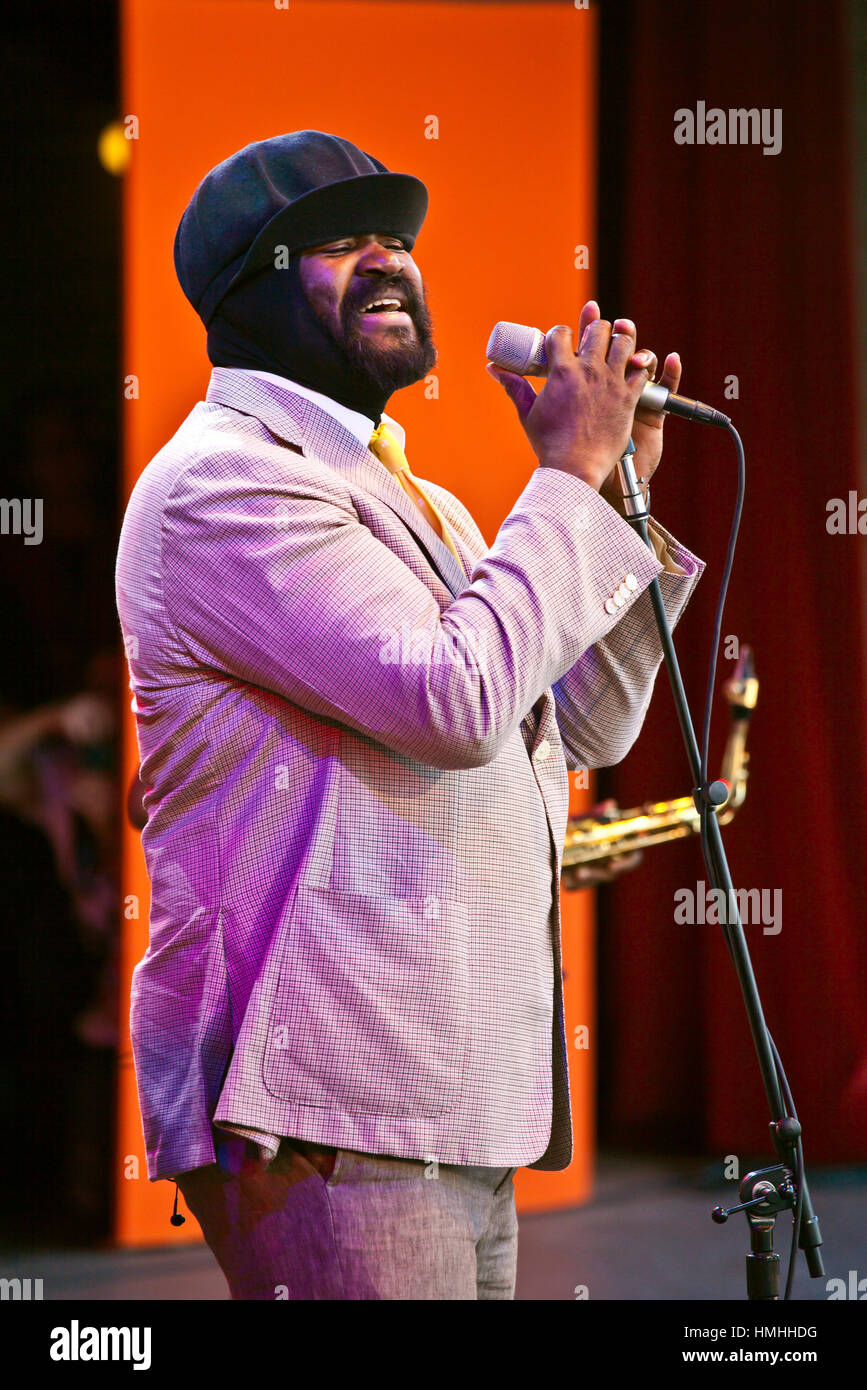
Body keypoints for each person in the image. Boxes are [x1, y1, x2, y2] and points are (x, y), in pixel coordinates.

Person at [115, 130, 704, 1300]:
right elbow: (457, 701)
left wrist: (624, 493)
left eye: (397, 236)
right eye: (341, 239)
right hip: (330, 1098)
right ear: (250, 291)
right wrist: (566, 483)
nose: (391, 257)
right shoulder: (225, 482)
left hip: (448, 1080)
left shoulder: (418, 497)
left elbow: (580, 725)